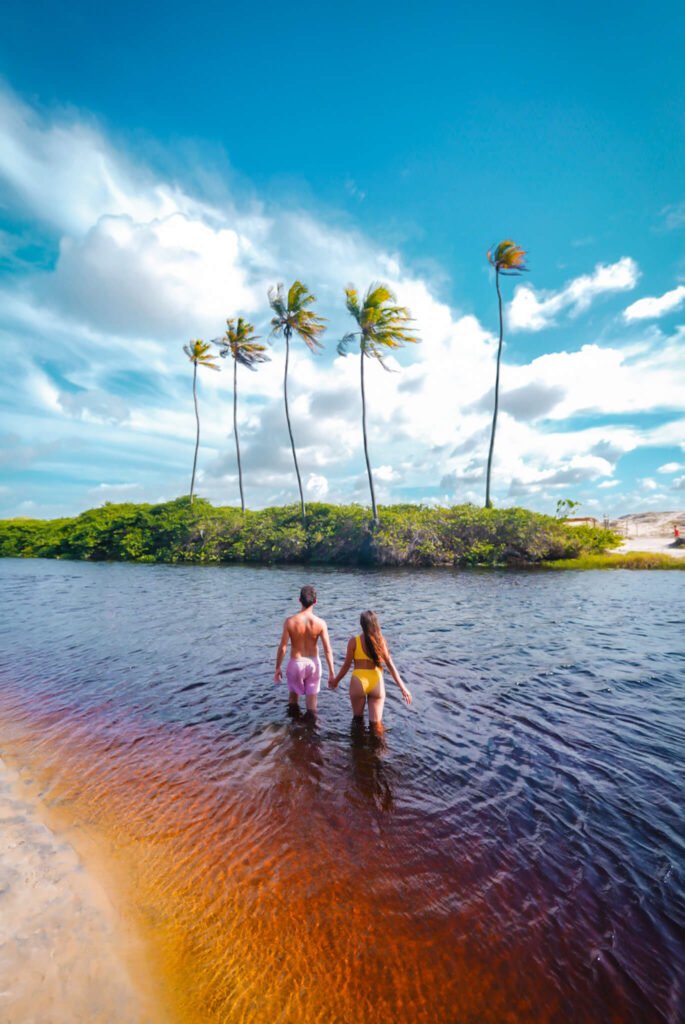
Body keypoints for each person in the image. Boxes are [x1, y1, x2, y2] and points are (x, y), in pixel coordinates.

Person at [329, 610, 411, 726]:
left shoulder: (354, 642)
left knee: (357, 721)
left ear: (361, 624)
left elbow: (346, 666)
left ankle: (357, 744)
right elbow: (391, 666)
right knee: (376, 725)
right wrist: (403, 688)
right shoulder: (380, 641)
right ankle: (380, 744)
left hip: (358, 681)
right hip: (376, 682)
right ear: (375, 623)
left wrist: (336, 681)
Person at [274, 585, 335, 713]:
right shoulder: (321, 623)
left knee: (293, 700)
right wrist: (331, 673)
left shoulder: (290, 622)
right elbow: (327, 650)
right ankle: (311, 730)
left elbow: (283, 647)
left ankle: (293, 730)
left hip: (296, 662)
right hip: (314, 664)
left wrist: (277, 668)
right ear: (315, 601)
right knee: (312, 705)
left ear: (299, 600)